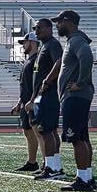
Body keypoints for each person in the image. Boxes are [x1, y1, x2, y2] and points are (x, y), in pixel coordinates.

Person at [53, 10, 97, 192]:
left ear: (68, 22)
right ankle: (87, 176)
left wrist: (80, 83)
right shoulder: (75, 40)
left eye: (59, 22)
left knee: (76, 138)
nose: (57, 25)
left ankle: (83, 179)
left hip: (75, 96)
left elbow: (87, 57)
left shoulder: (77, 41)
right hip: (77, 97)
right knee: (82, 137)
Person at [25, 18, 64, 181]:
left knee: (46, 131)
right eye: (35, 28)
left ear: (49, 28)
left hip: (48, 94)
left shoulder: (53, 44)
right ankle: (55, 166)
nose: (36, 30)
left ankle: (52, 167)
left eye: (39, 27)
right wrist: (33, 98)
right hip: (42, 95)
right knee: (49, 131)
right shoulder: (44, 47)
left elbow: (59, 61)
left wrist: (47, 81)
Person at [12, 32, 41, 172]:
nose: (23, 45)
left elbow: (38, 84)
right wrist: (19, 102)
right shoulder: (29, 61)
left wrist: (32, 101)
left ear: (33, 42)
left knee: (39, 133)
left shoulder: (37, 60)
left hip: (33, 102)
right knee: (28, 132)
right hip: (26, 102)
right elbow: (25, 85)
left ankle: (49, 164)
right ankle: (32, 161)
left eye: (25, 42)